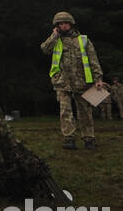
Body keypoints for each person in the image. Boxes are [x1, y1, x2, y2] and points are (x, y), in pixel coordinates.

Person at [39, 11, 107, 149]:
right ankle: (69, 138)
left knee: (85, 112)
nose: (63, 26)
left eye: (65, 23)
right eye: (60, 24)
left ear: (71, 23)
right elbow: (45, 49)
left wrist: (98, 78)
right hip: (62, 82)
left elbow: (93, 60)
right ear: (57, 26)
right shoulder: (56, 40)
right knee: (65, 111)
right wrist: (54, 35)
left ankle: (89, 139)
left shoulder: (83, 40)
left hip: (82, 81)